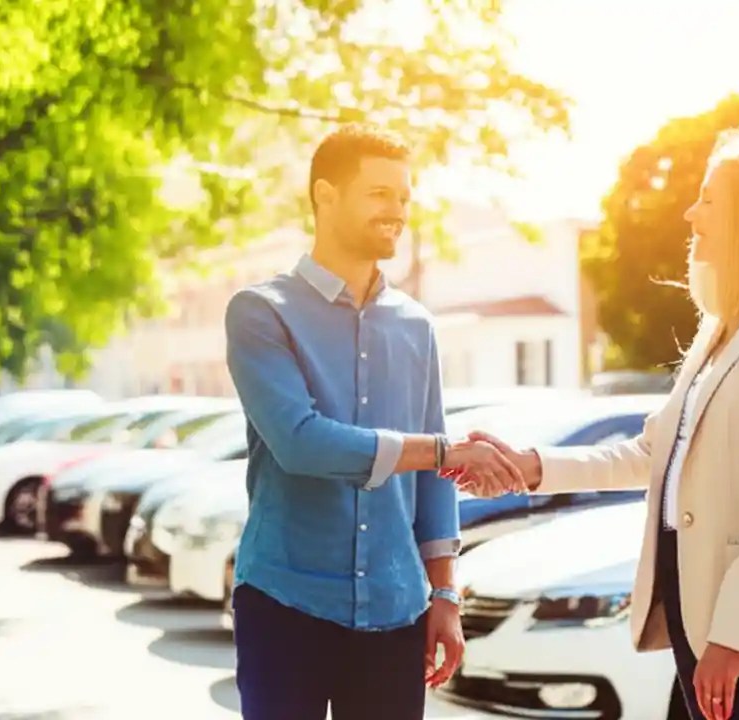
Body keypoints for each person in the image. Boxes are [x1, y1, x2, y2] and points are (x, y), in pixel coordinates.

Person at [455, 130, 739, 720]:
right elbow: (649, 453)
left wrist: (734, 636)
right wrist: (529, 467)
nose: (692, 213)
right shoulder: (720, 330)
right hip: (696, 611)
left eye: (709, 199)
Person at [223, 124, 521, 720]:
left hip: (396, 607)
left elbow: (431, 487)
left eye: (405, 198)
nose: (397, 212)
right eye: (380, 194)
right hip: (287, 602)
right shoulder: (260, 313)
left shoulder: (415, 325)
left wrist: (445, 594)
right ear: (325, 196)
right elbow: (299, 444)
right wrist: (443, 451)